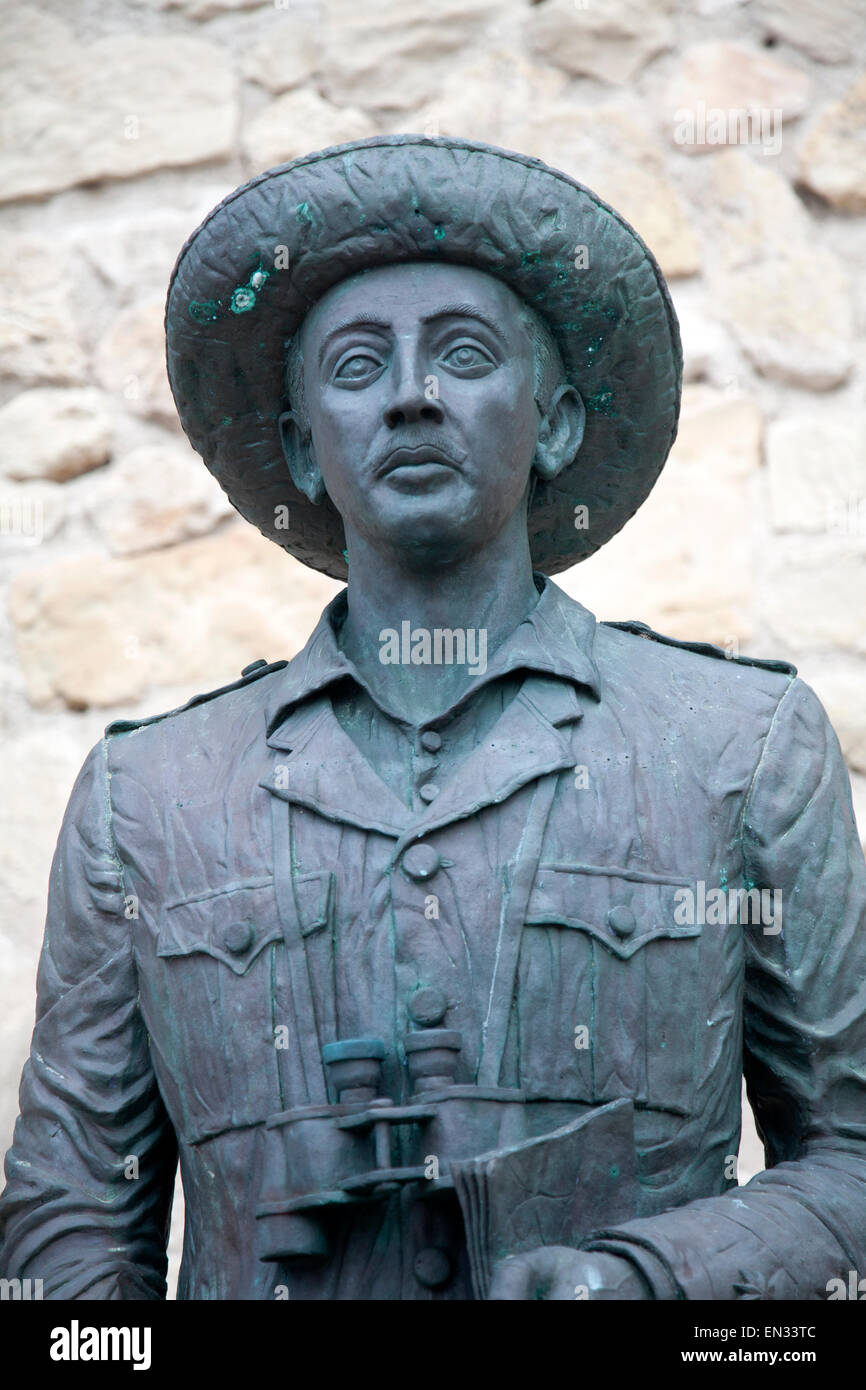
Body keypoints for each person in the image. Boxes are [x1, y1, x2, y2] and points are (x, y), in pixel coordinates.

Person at [2, 136, 865, 1300]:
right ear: (303, 449)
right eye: (357, 366)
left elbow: (852, 1162)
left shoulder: (741, 746)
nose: (411, 394)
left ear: (554, 424)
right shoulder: (146, 797)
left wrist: (646, 1281)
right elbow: (66, 1220)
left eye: (462, 354)